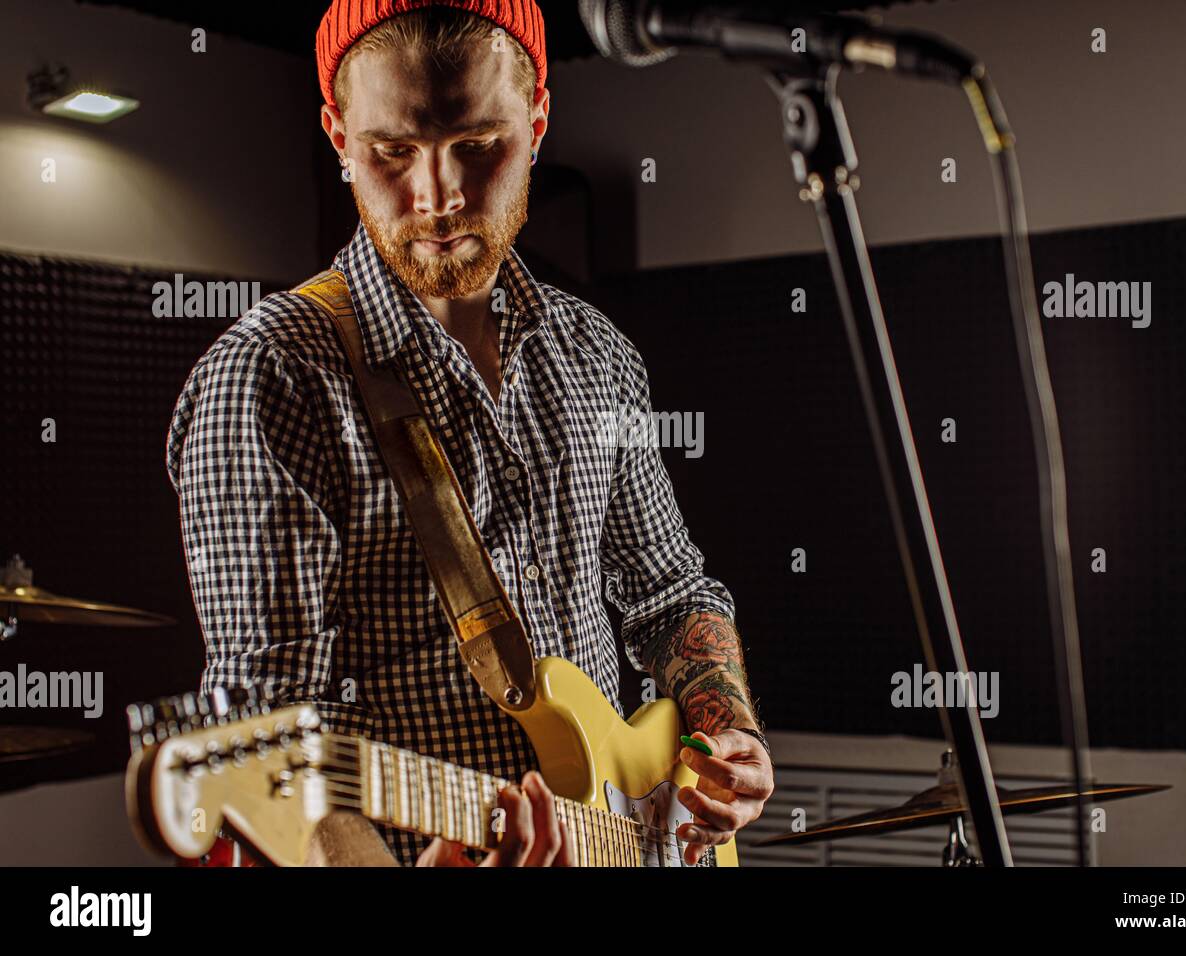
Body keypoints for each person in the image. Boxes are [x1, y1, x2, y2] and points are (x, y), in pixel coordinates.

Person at [166, 0, 772, 867]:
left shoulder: (595, 351)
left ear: (538, 119)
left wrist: (730, 733)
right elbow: (272, 754)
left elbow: (671, 595)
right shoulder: (270, 378)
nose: (439, 195)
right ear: (337, 135)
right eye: (392, 152)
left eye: (479, 144)